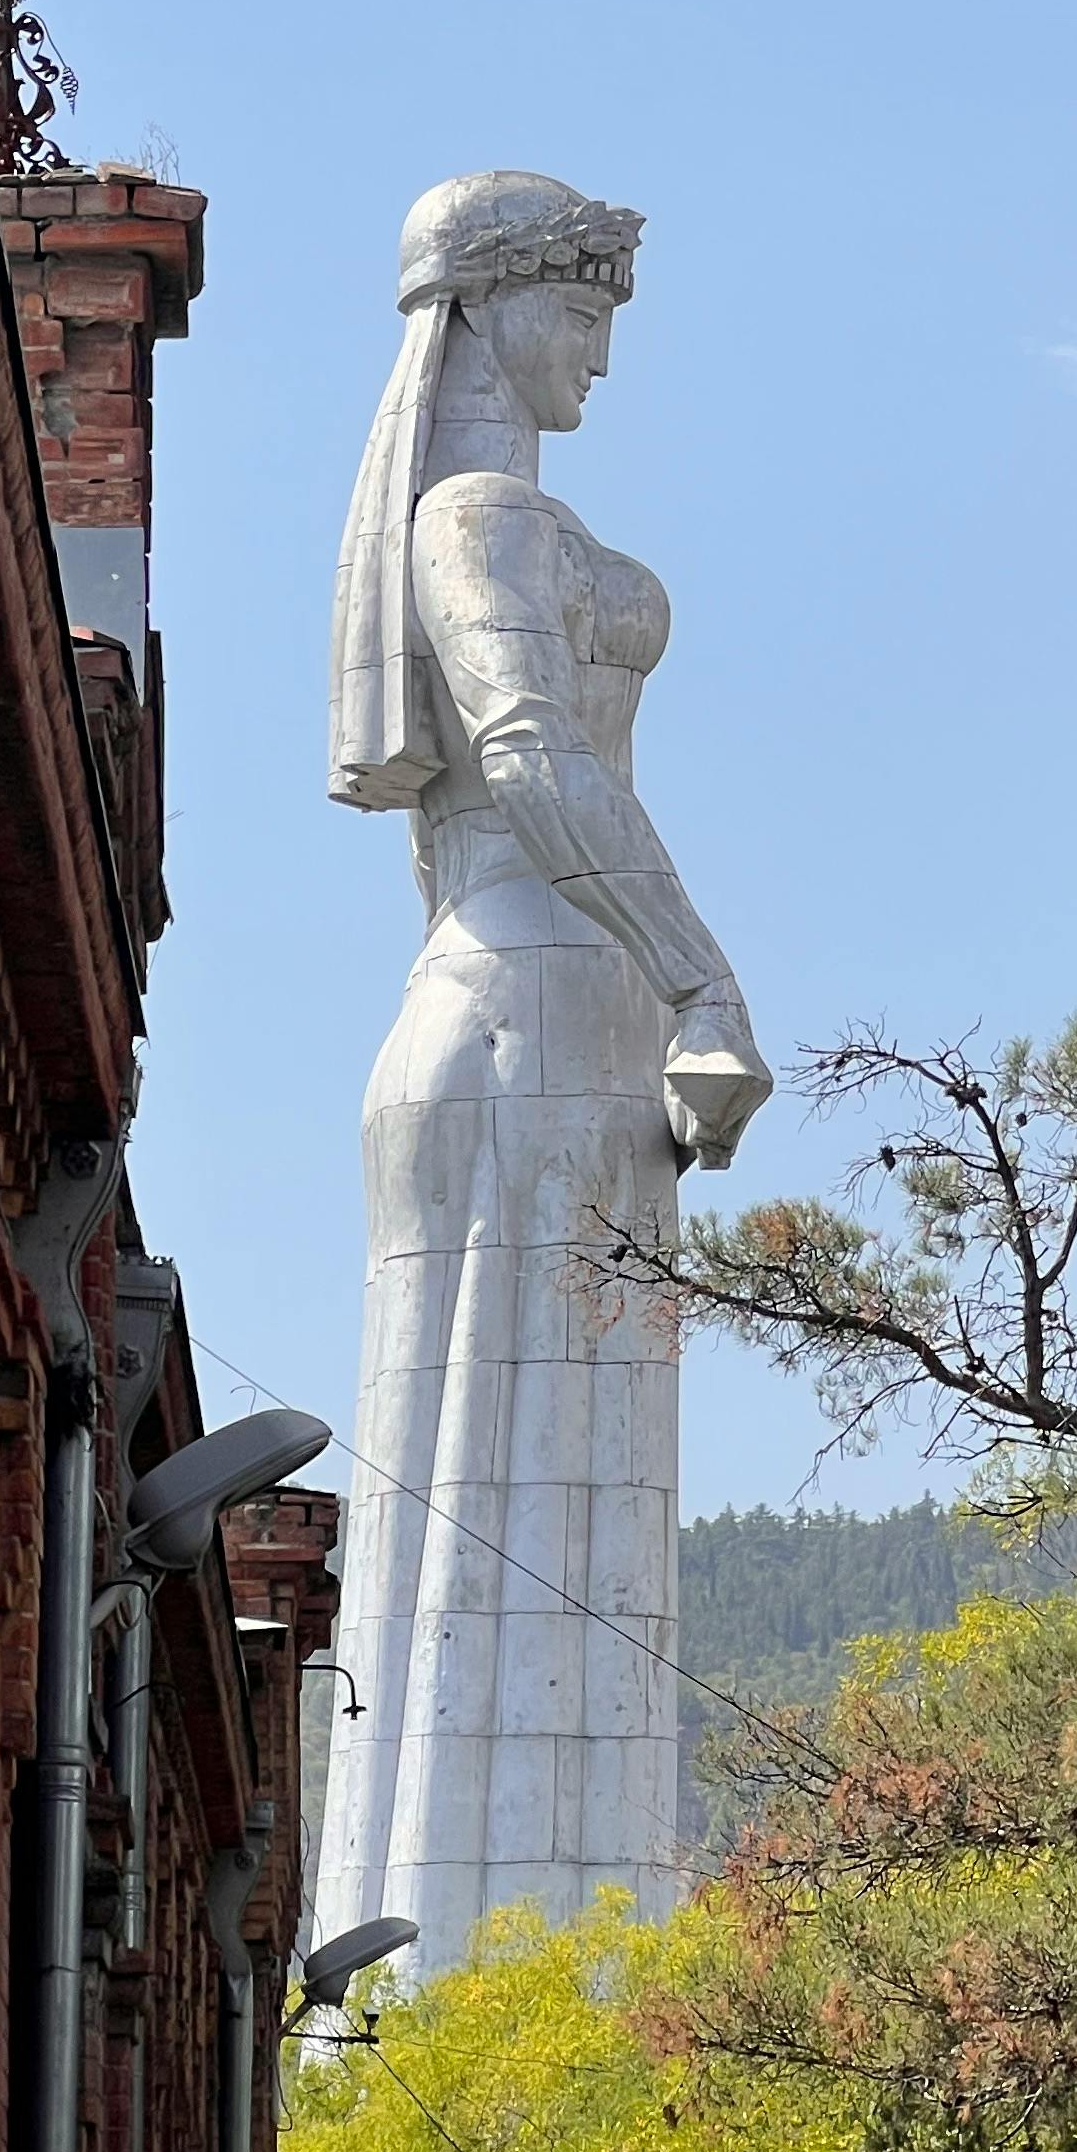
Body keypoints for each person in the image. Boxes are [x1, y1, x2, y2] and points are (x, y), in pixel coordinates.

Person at [314, 171, 770, 1962]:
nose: (597, 355)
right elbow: (528, 750)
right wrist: (704, 977)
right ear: (493, 306)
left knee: (578, 1552)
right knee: (489, 1534)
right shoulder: (477, 516)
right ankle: (470, 2001)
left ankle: (574, 1996)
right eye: (579, 313)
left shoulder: (499, 511)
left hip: (561, 1027)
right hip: (529, 1020)